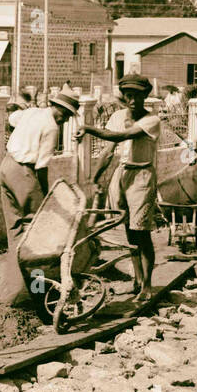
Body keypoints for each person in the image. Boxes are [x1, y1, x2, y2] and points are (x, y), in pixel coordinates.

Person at [79, 74, 162, 299]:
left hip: (142, 175)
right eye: (129, 95)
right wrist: (95, 179)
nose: (133, 100)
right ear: (124, 96)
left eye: (138, 95)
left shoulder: (151, 120)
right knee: (128, 231)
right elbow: (108, 151)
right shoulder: (117, 115)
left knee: (141, 232)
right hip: (122, 174)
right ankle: (137, 280)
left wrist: (88, 128)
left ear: (146, 95)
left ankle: (147, 285)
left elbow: (120, 137)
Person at [0, 91, 80, 248]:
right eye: (66, 115)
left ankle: (15, 268)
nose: (66, 120)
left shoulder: (31, 112)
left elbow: (12, 119)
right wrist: (44, 195)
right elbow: (41, 167)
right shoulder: (52, 128)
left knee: (13, 223)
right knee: (35, 221)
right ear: (59, 109)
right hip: (23, 172)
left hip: (6, 166)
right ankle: (33, 265)